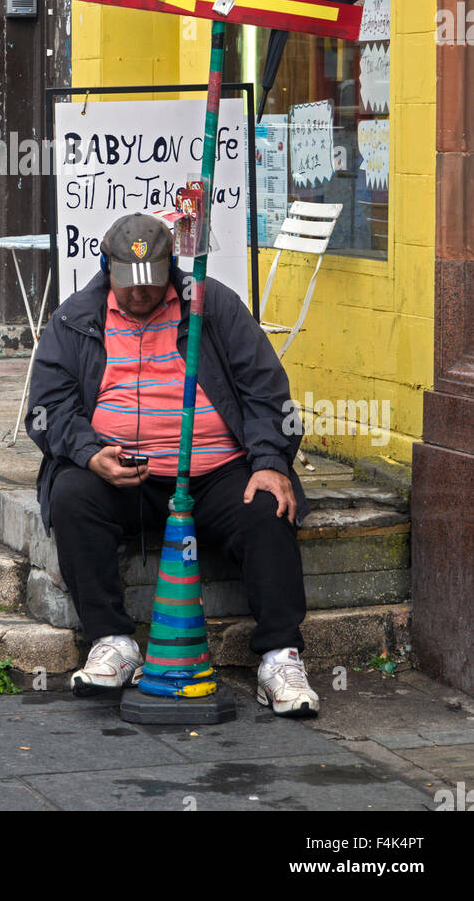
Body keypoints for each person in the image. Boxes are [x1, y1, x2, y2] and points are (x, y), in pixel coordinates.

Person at [26, 211, 319, 717]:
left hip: (215, 474)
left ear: (173, 268)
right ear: (106, 266)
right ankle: (112, 643)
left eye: (153, 283)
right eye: (129, 284)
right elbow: (47, 409)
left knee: (270, 503)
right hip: (124, 475)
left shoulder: (214, 306)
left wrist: (270, 460)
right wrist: (91, 454)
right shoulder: (74, 318)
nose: (140, 294)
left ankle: (279, 657)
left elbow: (267, 390)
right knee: (72, 496)